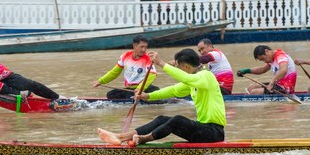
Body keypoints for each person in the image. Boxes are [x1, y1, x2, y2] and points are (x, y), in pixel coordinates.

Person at [97, 49, 226, 145]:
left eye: (179, 67)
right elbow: (172, 90)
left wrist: (161, 63)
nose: (179, 70)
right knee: (161, 119)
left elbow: (186, 78)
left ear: (186, 67)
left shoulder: (206, 76)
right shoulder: (194, 81)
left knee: (178, 120)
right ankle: (121, 137)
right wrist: (147, 96)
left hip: (214, 132)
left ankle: (143, 139)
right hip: (202, 129)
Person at [92, 35, 158, 100]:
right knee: (110, 94)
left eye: (146, 47)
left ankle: (139, 97)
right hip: (130, 90)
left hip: (143, 89)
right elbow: (114, 72)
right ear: (134, 45)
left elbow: (152, 75)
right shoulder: (125, 56)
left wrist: (139, 89)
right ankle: (134, 98)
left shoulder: (148, 58)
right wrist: (100, 81)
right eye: (141, 47)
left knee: (155, 90)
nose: (144, 50)